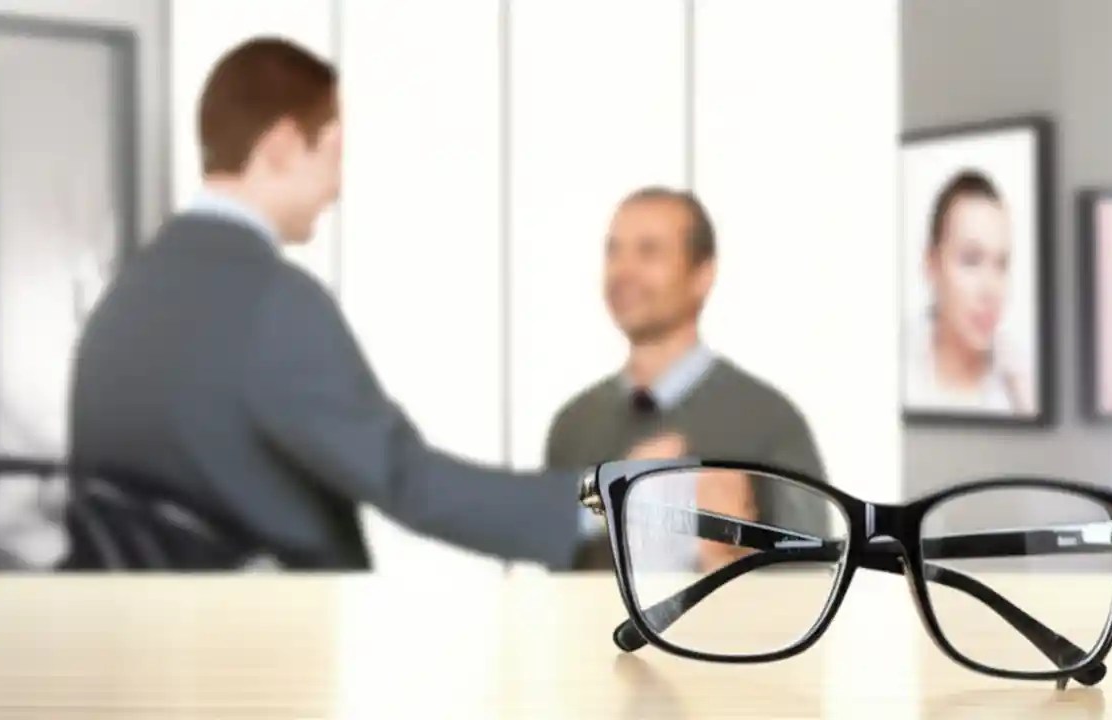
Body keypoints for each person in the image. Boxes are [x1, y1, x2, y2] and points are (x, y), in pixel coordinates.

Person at [67, 38, 677, 570]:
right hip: (268, 668)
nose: (337, 185)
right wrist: (613, 498)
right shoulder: (272, 304)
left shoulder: (121, 304)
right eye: (332, 150)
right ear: (282, 144)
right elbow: (409, 483)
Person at [544, 186, 829, 571]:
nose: (623, 270)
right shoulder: (574, 425)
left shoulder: (771, 423)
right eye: (614, 251)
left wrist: (734, 556)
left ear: (702, 274)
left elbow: (809, 582)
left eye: (648, 251)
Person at [905, 170, 1033, 415]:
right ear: (931, 264)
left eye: (1001, 264)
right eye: (971, 260)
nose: (991, 289)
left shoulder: (1022, 386)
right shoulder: (891, 368)